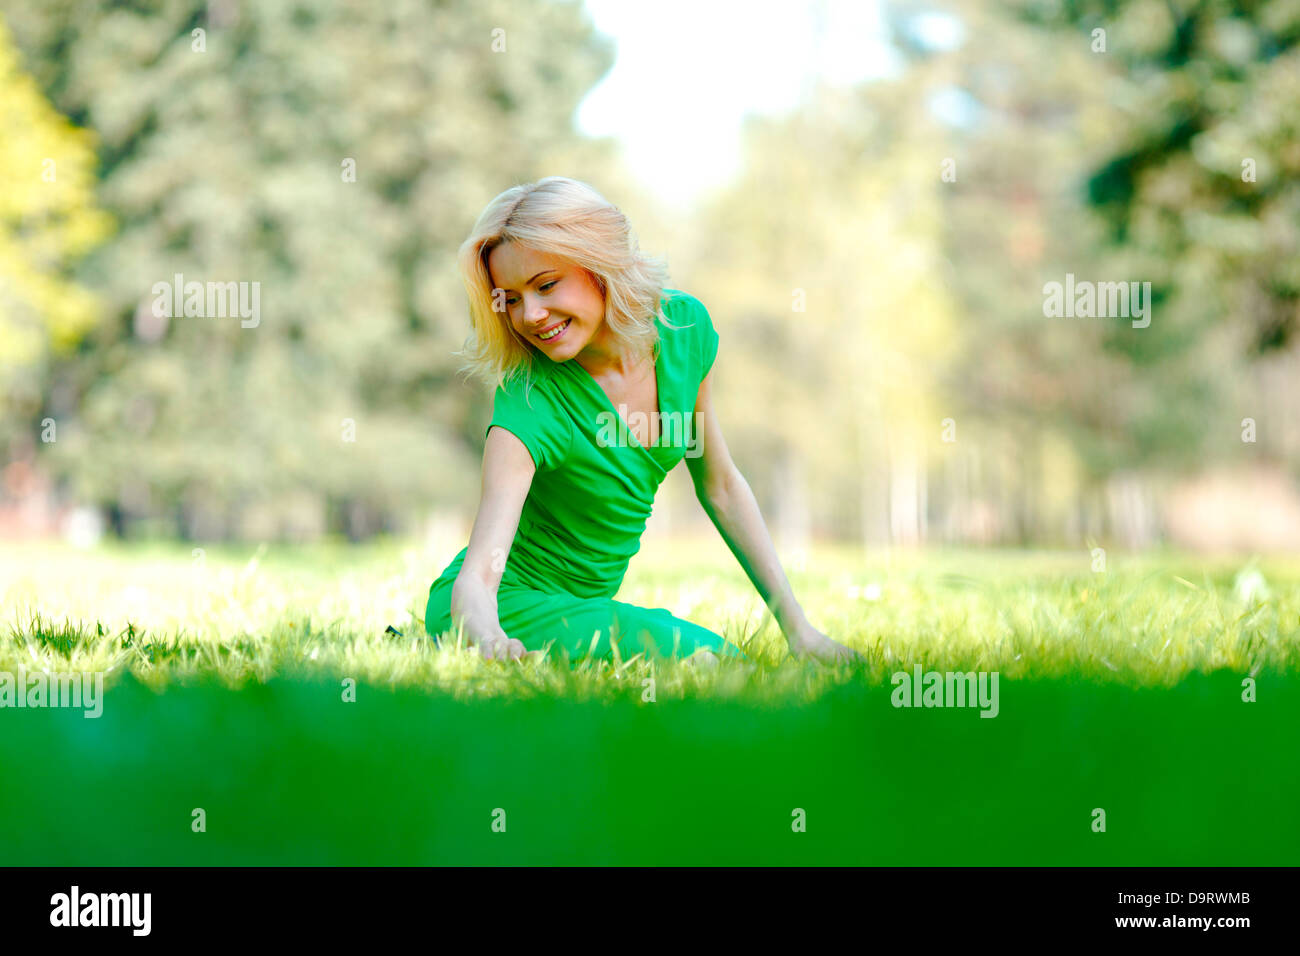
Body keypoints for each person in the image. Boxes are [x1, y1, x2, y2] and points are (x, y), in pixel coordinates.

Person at [425, 176, 860, 666]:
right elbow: (479, 576)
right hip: (502, 608)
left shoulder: (684, 332)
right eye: (512, 298)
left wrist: (799, 631)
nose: (532, 314)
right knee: (713, 661)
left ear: (600, 262)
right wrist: (486, 638)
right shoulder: (531, 397)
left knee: (719, 661)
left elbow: (720, 486)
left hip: (584, 608)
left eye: (546, 285)